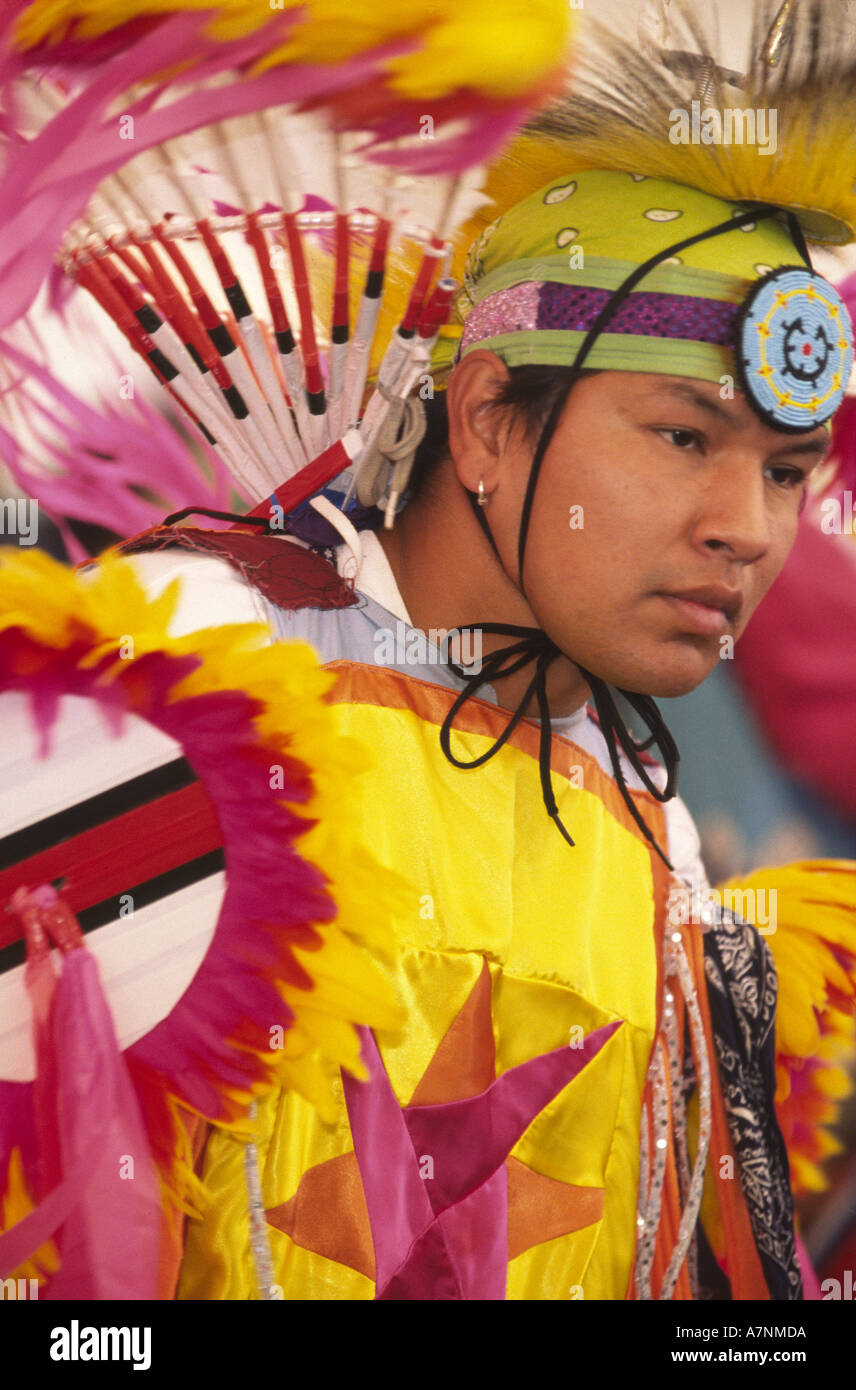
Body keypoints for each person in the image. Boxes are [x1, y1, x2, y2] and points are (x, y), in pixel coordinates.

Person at [111, 154, 855, 1301]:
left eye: (789, 470)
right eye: (682, 438)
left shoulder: (658, 833)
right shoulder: (192, 666)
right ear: (487, 422)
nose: (745, 529)